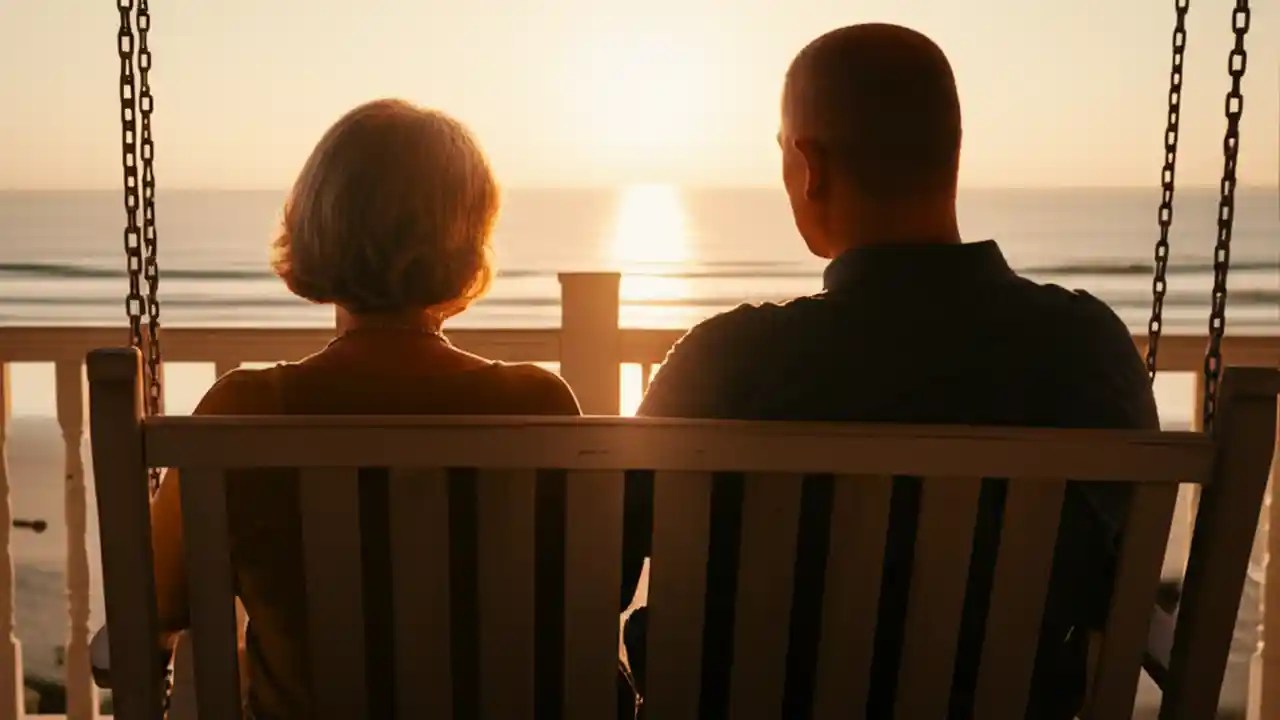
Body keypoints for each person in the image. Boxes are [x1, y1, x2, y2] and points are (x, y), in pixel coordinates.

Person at [619, 23, 1158, 719]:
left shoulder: (724, 362)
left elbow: (594, 564)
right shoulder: (1088, 349)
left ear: (809, 167)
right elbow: (1121, 581)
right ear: (949, 158)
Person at [146, 99, 580, 718]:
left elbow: (158, 606)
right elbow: (581, 598)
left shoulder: (244, 411)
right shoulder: (537, 405)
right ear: (469, 243)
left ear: (314, 226)